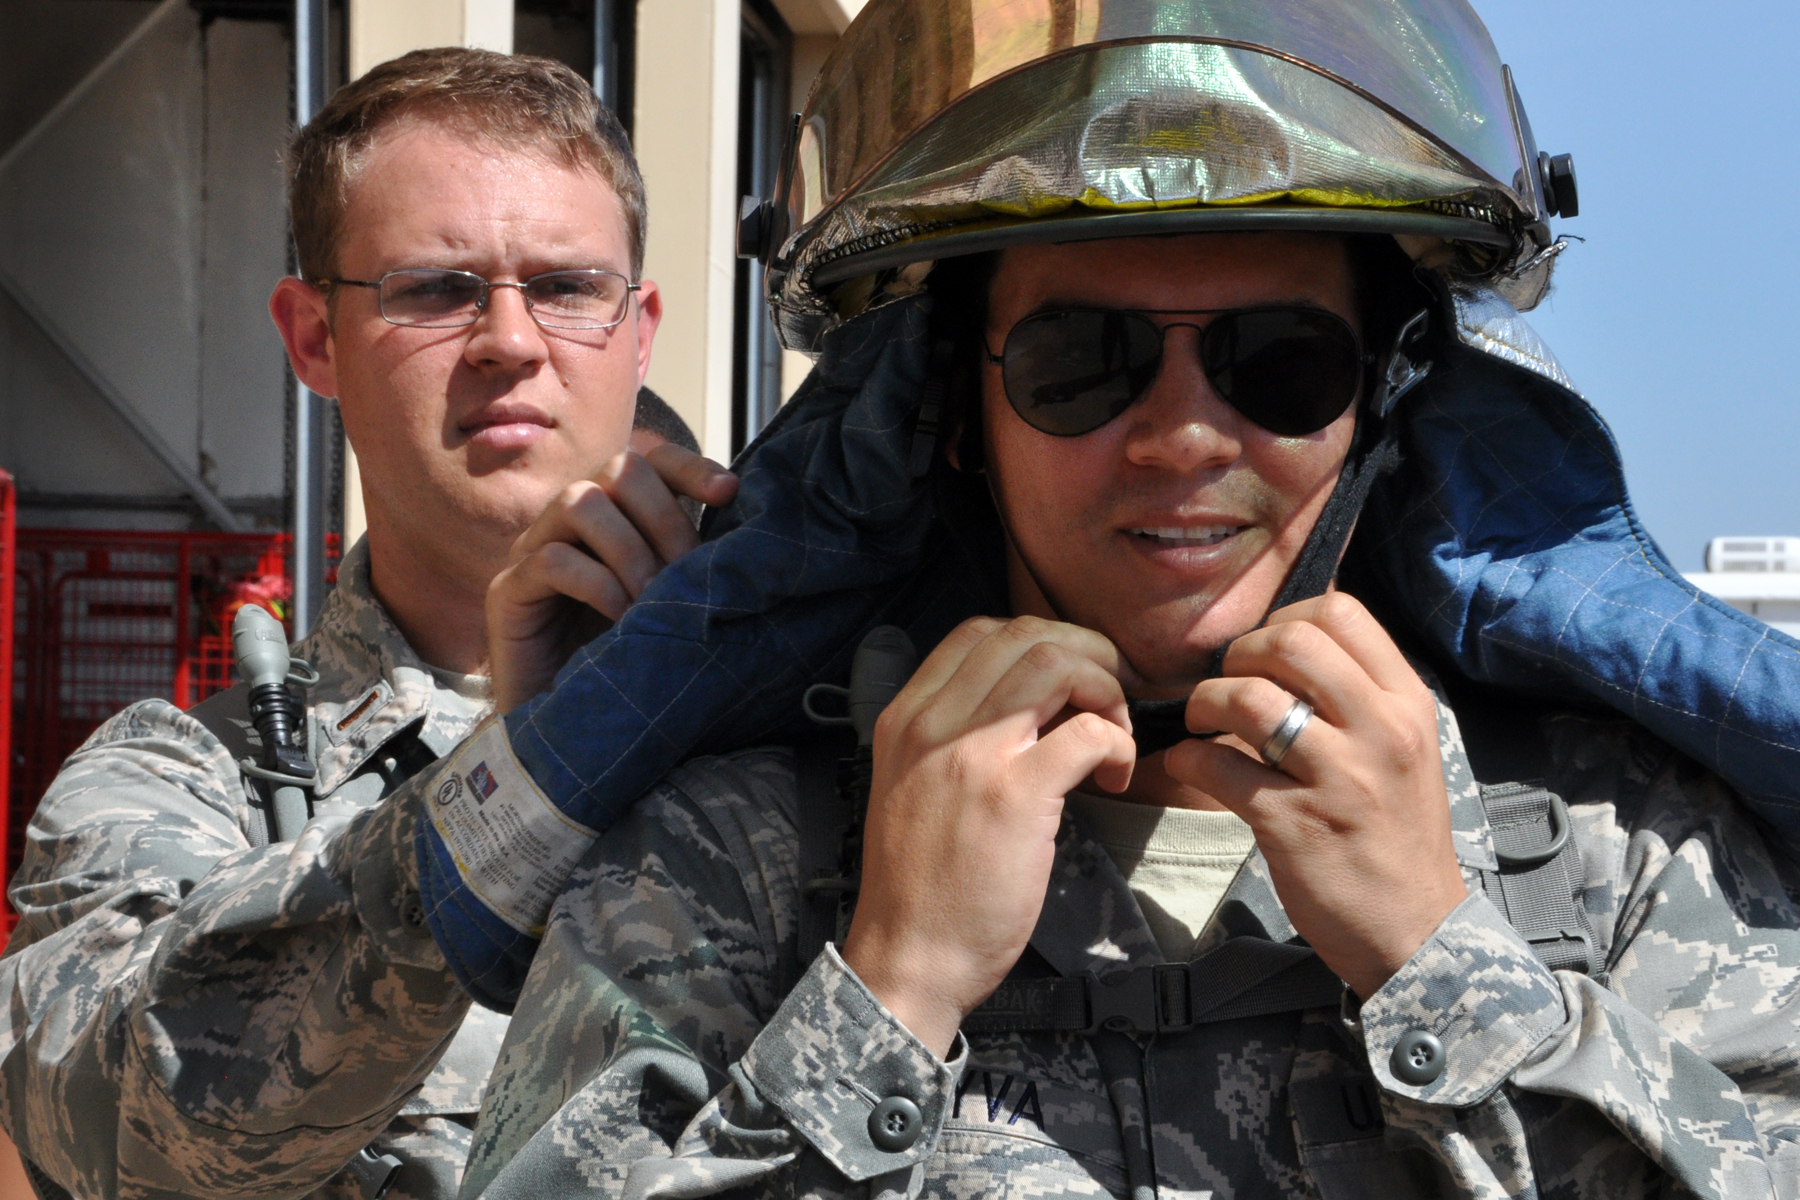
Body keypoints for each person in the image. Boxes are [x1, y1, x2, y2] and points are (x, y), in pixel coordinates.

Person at [436, 1, 1800, 1197]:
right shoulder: (717, 873)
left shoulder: (1618, 858)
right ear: (958, 414)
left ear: (1376, 405)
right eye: (1083, 362)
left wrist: (1445, 964)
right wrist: (886, 991)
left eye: (1278, 362)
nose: (1183, 438)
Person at [0, 48, 734, 1200]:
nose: (510, 338)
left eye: (568, 286)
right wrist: (522, 783)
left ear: (638, 329)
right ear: (312, 339)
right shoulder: (187, 783)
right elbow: (115, 1135)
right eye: (436, 290)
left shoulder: (812, 724)